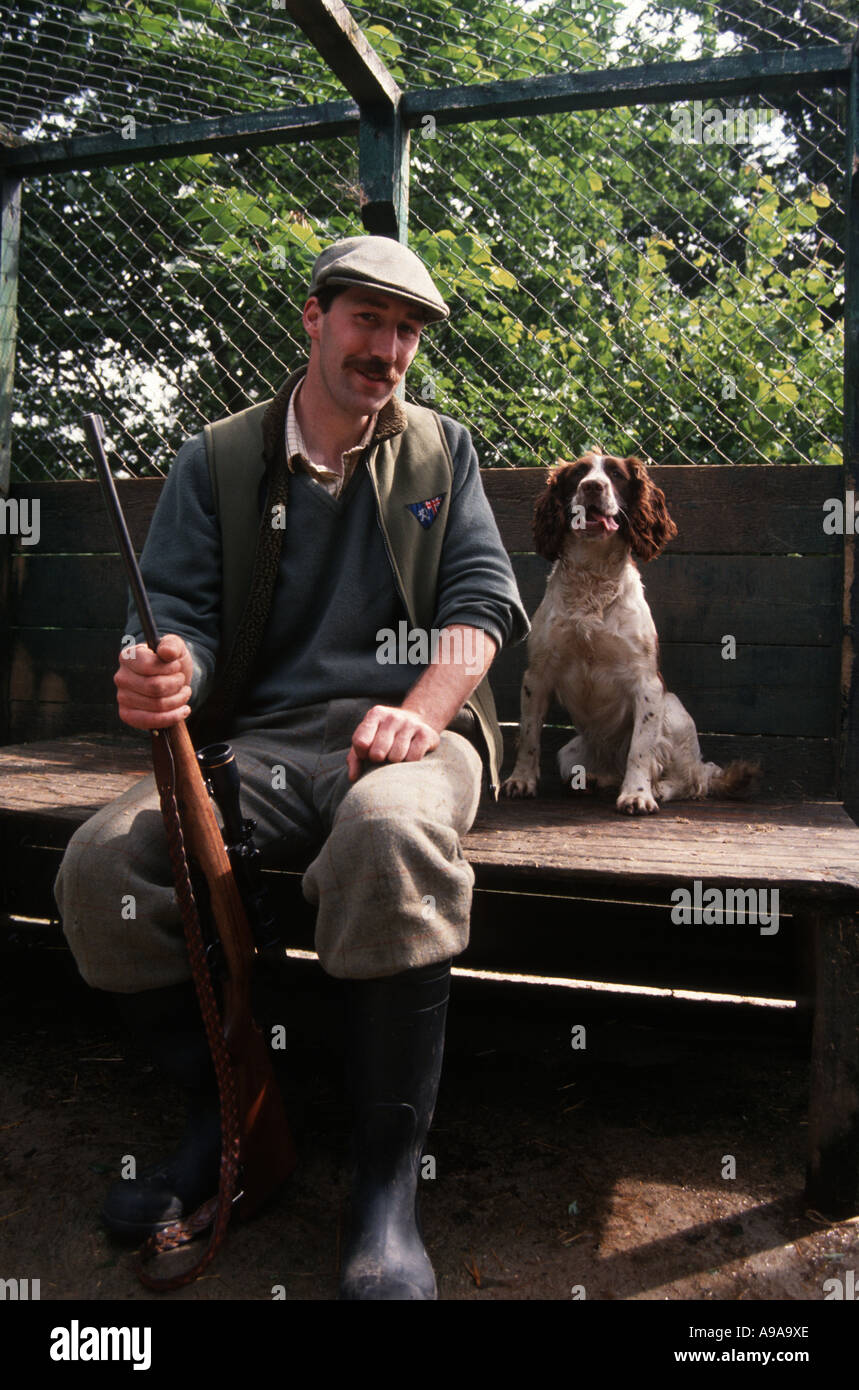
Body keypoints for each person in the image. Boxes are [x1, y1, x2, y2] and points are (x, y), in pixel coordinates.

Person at [55, 234, 529, 1300]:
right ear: (312, 319)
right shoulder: (216, 458)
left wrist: (419, 711)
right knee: (101, 870)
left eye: (406, 330)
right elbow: (171, 616)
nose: (389, 347)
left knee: (390, 831)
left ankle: (382, 1189)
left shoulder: (441, 452)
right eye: (368, 319)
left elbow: (483, 604)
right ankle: (226, 1123)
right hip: (257, 748)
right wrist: (160, 673)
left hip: (407, 739)